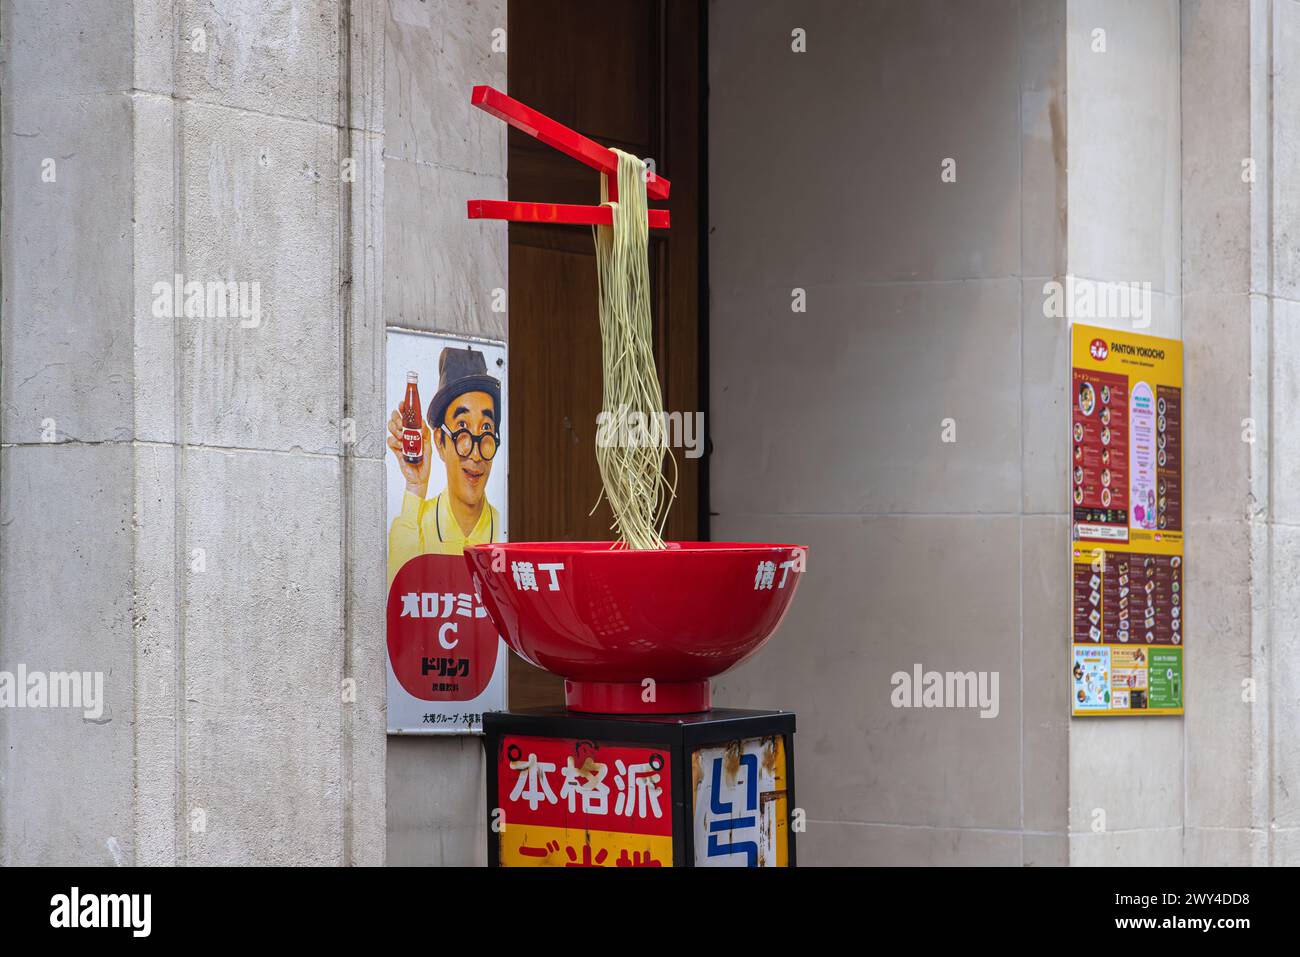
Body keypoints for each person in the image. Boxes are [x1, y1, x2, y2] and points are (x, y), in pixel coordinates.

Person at [386, 346, 502, 586]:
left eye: (486, 429)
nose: (476, 455)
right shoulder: (416, 524)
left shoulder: (504, 528)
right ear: (440, 441)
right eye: (462, 427)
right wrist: (415, 486)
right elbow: (397, 592)